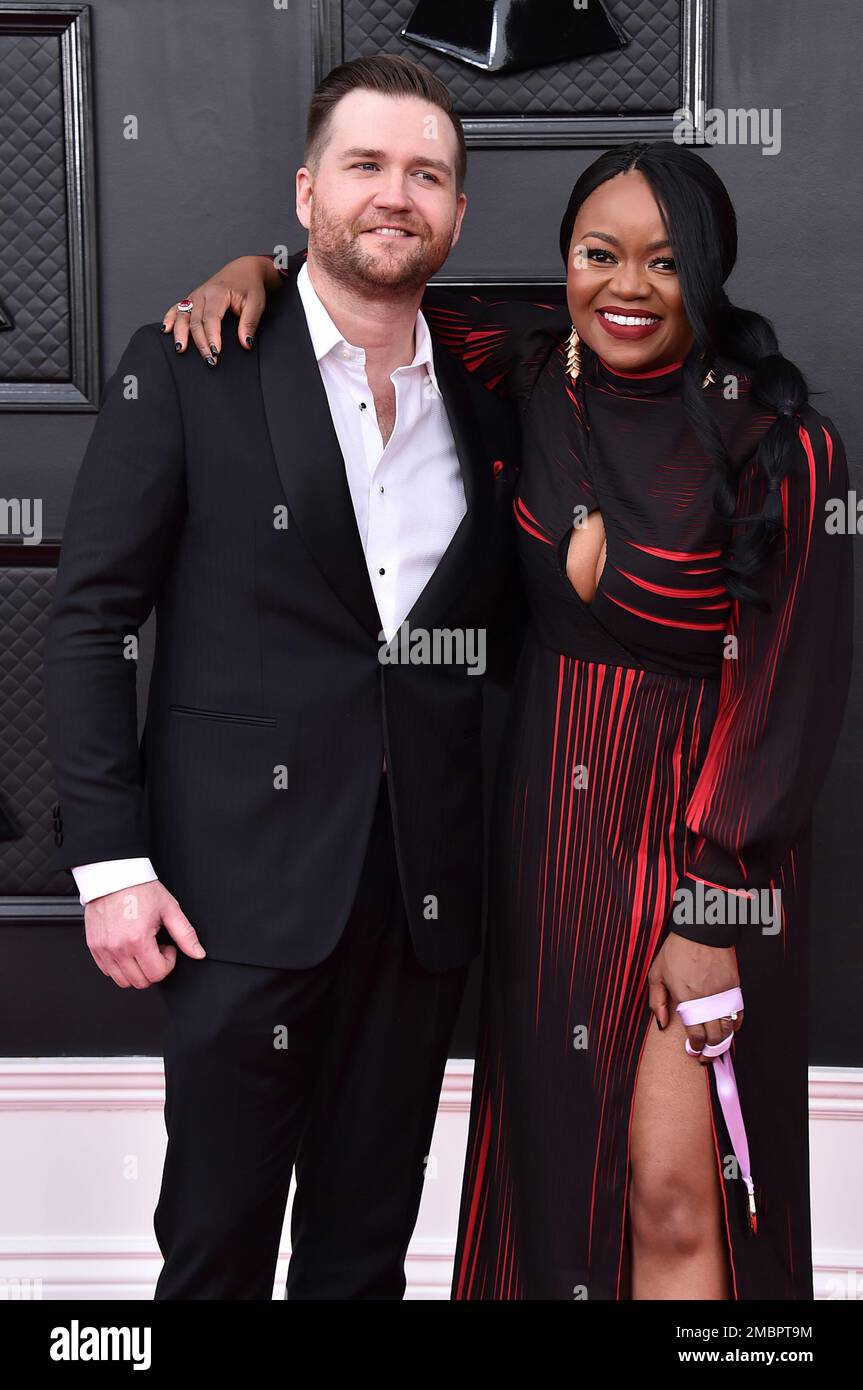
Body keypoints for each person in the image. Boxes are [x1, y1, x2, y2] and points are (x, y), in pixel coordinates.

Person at [164, 140, 854, 1299]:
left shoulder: (781, 448)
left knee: (677, 1192)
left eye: (665, 262)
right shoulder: (534, 362)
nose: (626, 286)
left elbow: (789, 702)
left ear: (712, 275)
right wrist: (263, 265)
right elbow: (377, 280)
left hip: (700, 843)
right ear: (565, 266)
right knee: (555, 1174)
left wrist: (710, 903)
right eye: (598, 255)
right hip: (547, 838)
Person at [43, 54, 523, 1300]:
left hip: (416, 903)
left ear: (458, 215)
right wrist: (110, 866)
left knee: (362, 1256)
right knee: (213, 1247)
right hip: (231, 899)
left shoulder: (484, 403)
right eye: (365, 165)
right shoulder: (190, 364)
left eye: (426, 174)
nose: (394, 195)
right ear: (308, 189)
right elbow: (91, 620)